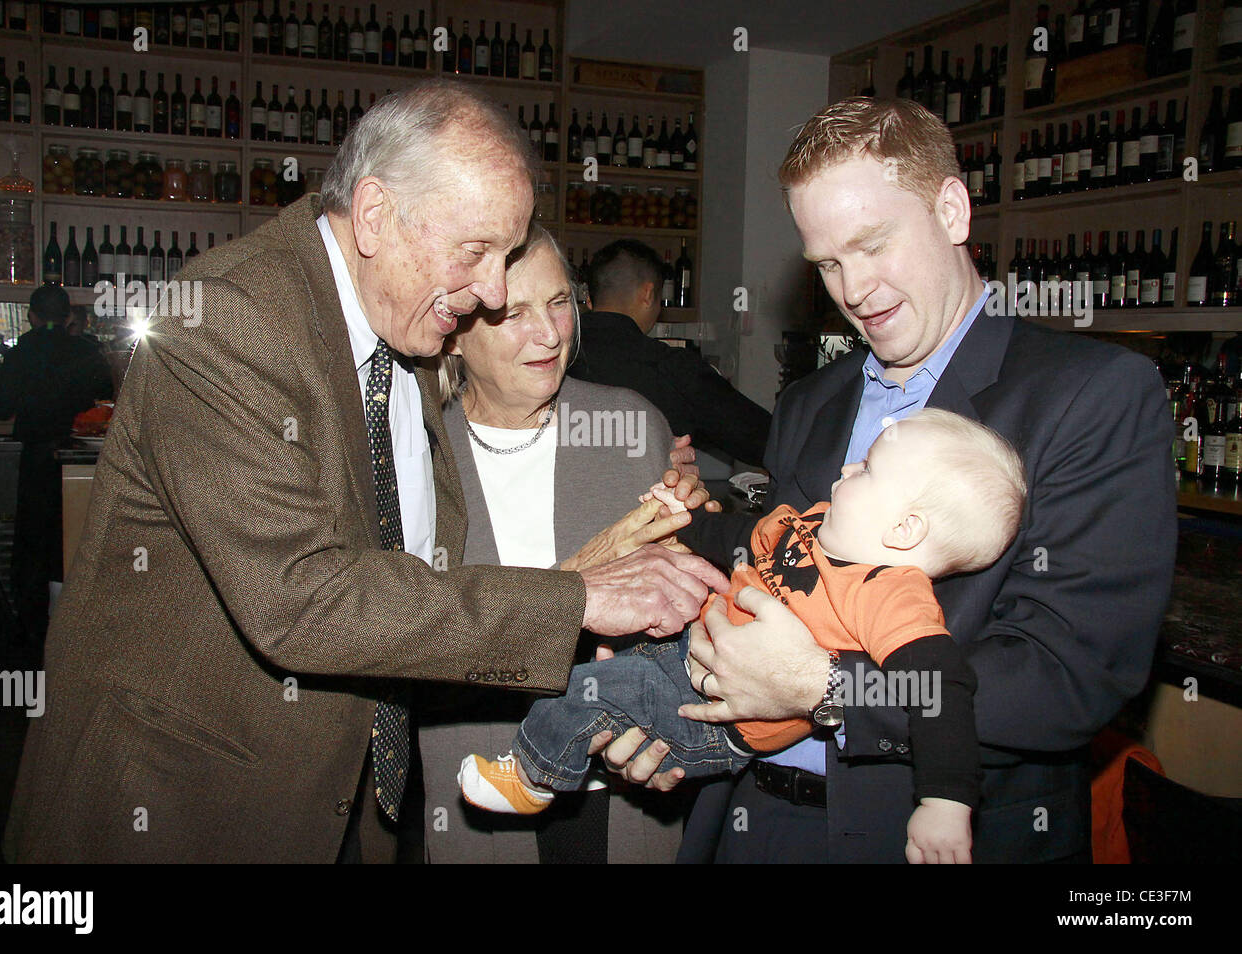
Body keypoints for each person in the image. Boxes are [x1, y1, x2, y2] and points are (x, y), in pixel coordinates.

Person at [3, 80, 726, 864]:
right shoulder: (229, 318)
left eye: (507, 257)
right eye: (475, 251)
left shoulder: (408, 337)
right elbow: (303, 596)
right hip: (181, 808)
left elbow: (414, 580)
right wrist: (581, 598)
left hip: (347, 808)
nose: (491, 292)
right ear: (376, 214)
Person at [652, 96, 1176, 863]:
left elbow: (1068, 676)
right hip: (750, 817)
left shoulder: (1093, 394)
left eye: (873, 245)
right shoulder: (809, 403)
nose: (854, 289)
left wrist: (829, 688)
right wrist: (669, 684)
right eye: (828, 263)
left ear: (953, 209)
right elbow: (774, 574)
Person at [460, 409, 1027, 864]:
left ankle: (533, 774)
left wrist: (945, 800)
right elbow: (735, 532)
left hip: (722, 717)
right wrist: (684, 517)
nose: (847, 470)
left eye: (869, 470)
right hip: (684, 654)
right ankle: (571, 751)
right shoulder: (815, 522)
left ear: (905, 529)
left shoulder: (888, 591)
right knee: (605, 654)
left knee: (584, 688)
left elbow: (941, 689)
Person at [418, 227, 699, 863]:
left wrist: (673, 733)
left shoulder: (630, 426)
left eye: (559, 302)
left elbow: (680, 620)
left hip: (625, 787)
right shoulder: (420, 456)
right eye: (514, 312)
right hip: (481, 779)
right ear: (456, 331)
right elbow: (404, 649)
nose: (549, 333)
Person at [566, 239, 771, 466]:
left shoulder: (553, 358)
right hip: (646, 500)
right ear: (648, 293)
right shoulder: (672, 369)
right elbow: (767, 442)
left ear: (590, 301)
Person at [0, 285, 114, 643]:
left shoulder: (20, 352)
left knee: (32, 543)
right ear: (69, 317)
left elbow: (0, 409)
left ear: (31, 316)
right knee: (75, 541)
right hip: (81, 460)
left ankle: (31, 632)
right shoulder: (87, 352)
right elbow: (108, 397)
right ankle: (76, 628)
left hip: (38, 457)